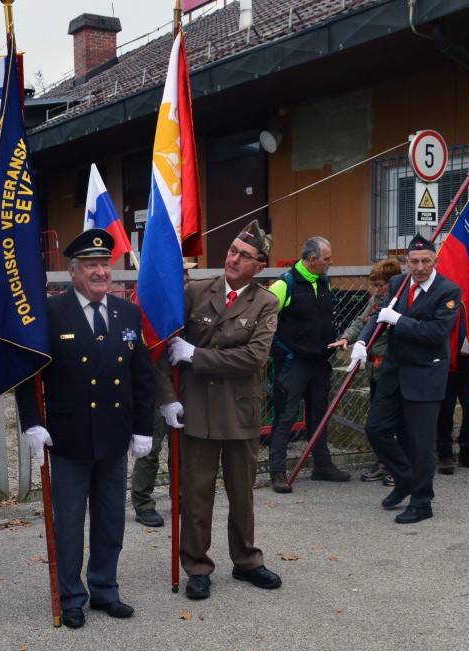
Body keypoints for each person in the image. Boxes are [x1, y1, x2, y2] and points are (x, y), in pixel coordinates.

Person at [16, 228, 155, 629]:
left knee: (111, 518)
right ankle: (71, 595)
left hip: (113, 435)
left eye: (105, 264)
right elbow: (28, 375)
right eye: (91, 265)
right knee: (71, 520)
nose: (100, 272)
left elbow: (141, 375)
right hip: (69, 436)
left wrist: (142, 427)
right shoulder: (50, 311)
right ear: (73, 271)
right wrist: (32, 423)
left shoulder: (126, 312)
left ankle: (105, 590)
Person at [158, 219, 282, 600]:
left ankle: (246, 560)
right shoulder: (195, 291)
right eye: (232, 251)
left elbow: (254, 356)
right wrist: (167, 398)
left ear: (259, 266)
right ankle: (196, 566)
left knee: (242, 493)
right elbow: (164, 346)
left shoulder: (266, 302)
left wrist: (198, 354)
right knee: (196, 494)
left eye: (244, 256)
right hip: (195, 409)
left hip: (239, 412)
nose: (234, 259)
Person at [352, 234, 461, 524]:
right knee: (376, 429)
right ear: (407, 262)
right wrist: (362, 343)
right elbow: (379, 315)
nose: (420, 267)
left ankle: (422, 501)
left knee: (420, 442)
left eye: (426, 261)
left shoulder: (448, 291)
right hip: (395, 372)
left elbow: (437, 333)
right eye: (414, 261)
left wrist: (400, 321)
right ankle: (404, 479)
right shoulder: (399, 284)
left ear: (435, 261)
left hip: (425, 375)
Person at [268, 236, 351, 492]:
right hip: (293, 364)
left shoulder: (324, 283)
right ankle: (278, 473)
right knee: (285, 416)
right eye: (327, 259)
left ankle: (321, 466)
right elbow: (263, 319)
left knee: (319, 415)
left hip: (320, 363)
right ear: (312, 259)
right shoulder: (285, 284)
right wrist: (278, 350)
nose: (331, 262)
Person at [128, 259, 198, 527]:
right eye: (182, 274)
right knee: (151, 448)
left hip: (185, 387)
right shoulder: (151, 306)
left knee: (182, 448)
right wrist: (168, 397)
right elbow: (151, 360)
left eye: (188, 273)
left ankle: (180, 498)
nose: (188, 278)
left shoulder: (188, 303)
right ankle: (143, 503)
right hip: (156, 390)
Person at [332, 258, 402, 482]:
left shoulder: (400, 303)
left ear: (394, 282)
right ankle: (384, 461)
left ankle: (397, 465)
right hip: (374, 369)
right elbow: (361, 322)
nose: (376, 289)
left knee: (391, 421)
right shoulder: (375, 300)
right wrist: (346, 338)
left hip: (391, 369)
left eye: (380, 285)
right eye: (374, 285)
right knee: (377, 420)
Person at [435, 318, 469, 475]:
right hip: (448, 357)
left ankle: (468, 452)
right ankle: (444, 454)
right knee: (445, 408)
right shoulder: (447, 294)